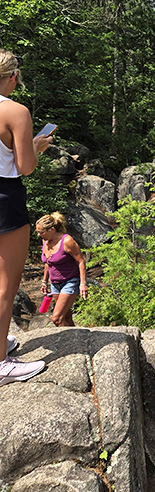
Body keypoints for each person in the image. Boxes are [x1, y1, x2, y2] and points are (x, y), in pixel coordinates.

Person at [0, 50, 54, 383]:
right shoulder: (15, 112)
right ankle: (1, 364)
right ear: (13, 77)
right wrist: (37, 146)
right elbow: (25, 167)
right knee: (6, 284)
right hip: (5, 199)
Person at [37, 213, 88, 327]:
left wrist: (83, 284)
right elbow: (48, 263)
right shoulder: (45, 241)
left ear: (52, 229)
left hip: (70, 281)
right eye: (38, 232)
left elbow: (81, 261)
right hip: (55, 283)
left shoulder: (67, 241)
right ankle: (78, 340)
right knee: (66, 317)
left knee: (57, 319)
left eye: (41, 232)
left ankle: (70, 344)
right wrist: (44, 282)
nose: (39, 235)